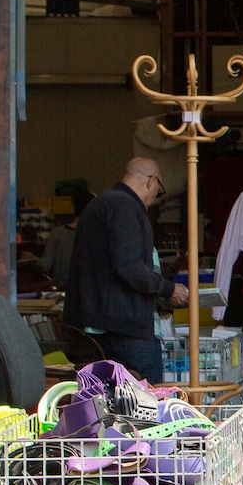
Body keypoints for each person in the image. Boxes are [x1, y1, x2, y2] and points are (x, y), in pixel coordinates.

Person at [63, 158, 186, 381]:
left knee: (102, 405)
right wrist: (168, 289)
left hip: (95, 326)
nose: (154, 197)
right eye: (159, 190)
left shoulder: (98, 205)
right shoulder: (126, 206)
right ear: (151, 182)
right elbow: (128, 266)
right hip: (127, 329)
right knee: (146, 405)